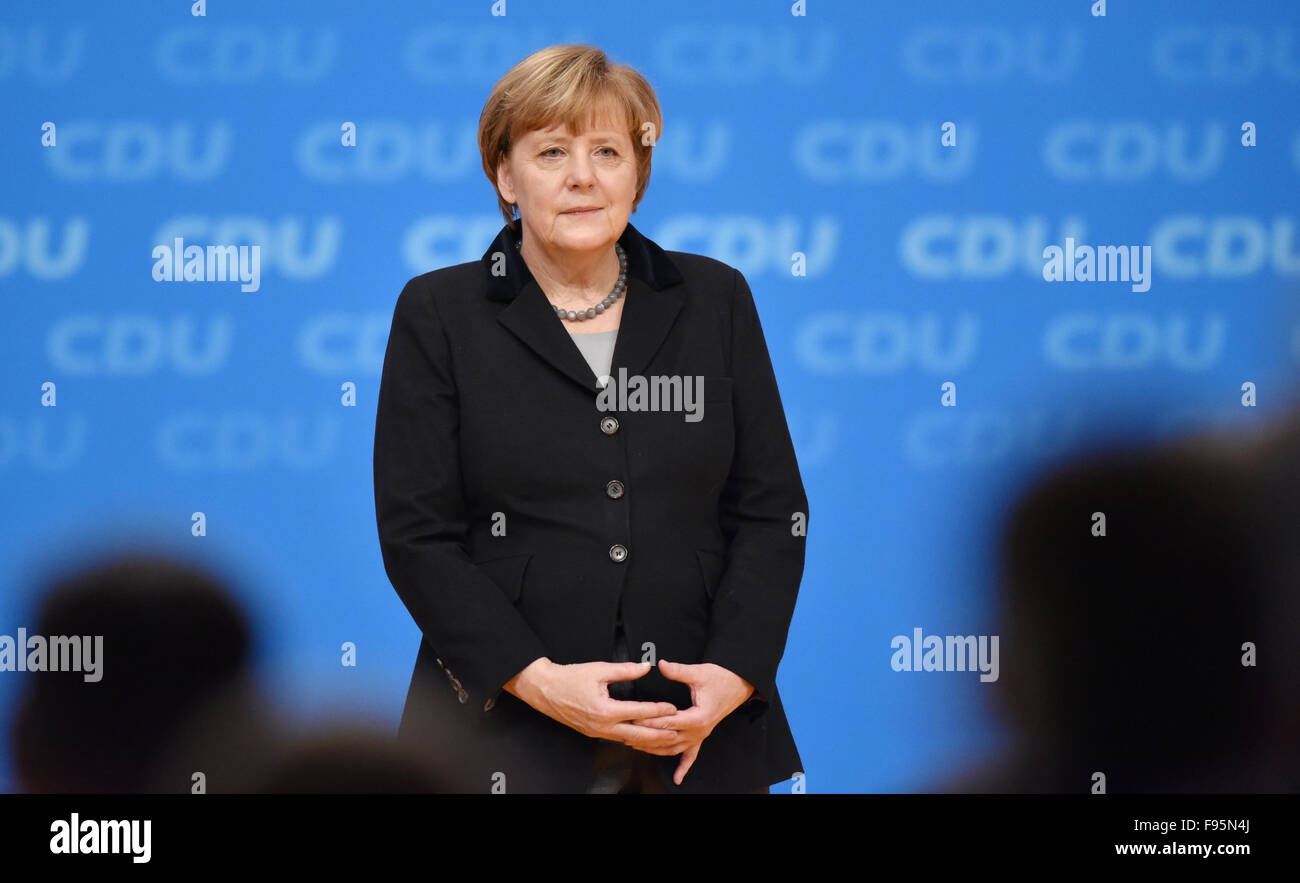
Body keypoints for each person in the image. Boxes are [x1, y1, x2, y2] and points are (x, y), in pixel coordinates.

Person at [373, 44, 809, 793]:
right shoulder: (439, 312)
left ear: (637, 173)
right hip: (501, 737)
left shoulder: (715, 299)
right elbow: (419, 536)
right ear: (505, 175)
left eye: (608, 150)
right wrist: (536, 680)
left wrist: (735, 673)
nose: (583, 176)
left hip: (692, 734)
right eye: (551, 151)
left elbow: (772, 512)